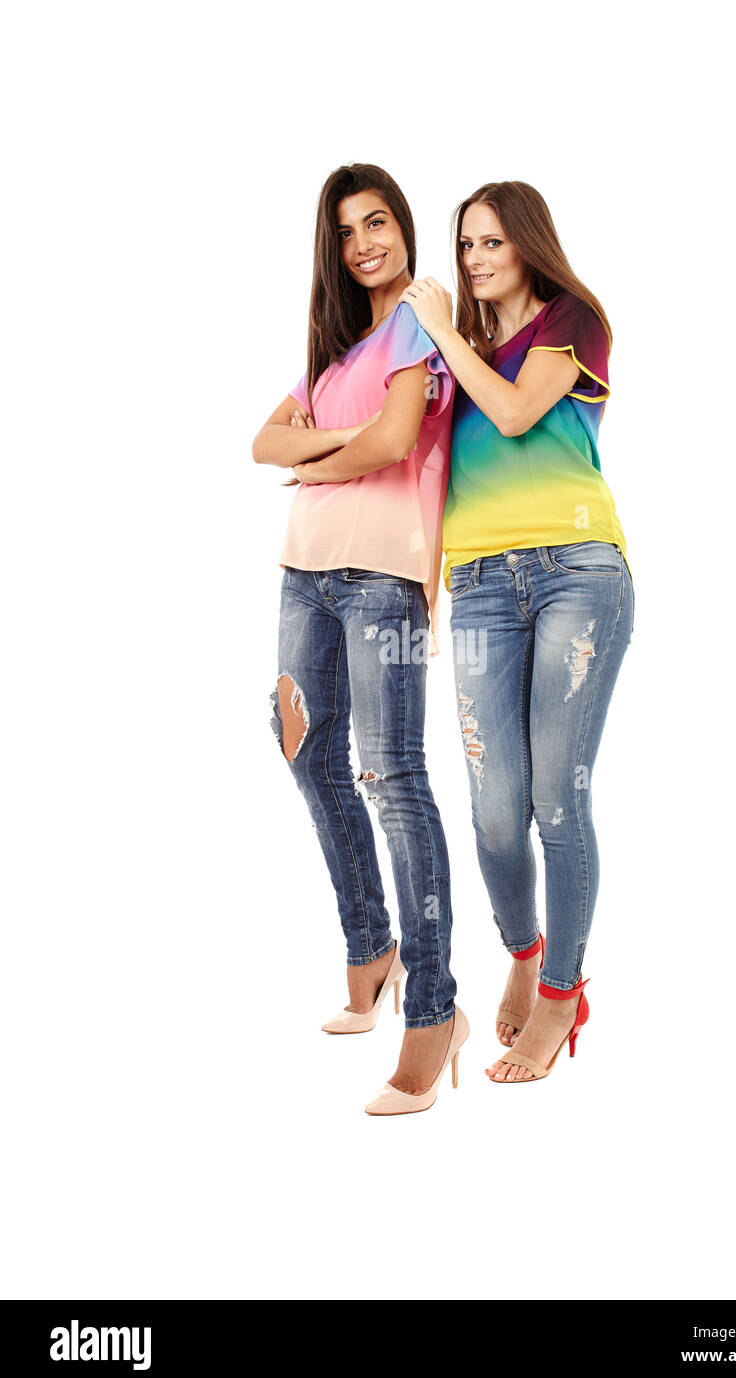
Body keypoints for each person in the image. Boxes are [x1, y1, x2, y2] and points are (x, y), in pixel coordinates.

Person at [398, 180, 633, 1084]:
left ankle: (565, 993)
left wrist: (446, 330)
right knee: (497, 813)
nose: (474, 261)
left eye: (490, 243)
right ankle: (527, 953)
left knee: (557, 800)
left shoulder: (574, 321)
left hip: (579, 572)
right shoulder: (461, 357)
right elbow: (424, 464)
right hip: (482, 585)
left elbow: (514, 412)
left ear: (528, 244)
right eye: (464, 247)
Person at [252, 164, 468, 1114]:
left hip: (384, 575)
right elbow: (263, 439)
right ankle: (369, 946)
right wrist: (324, 451)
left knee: (394, 775)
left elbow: (395, 442)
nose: (364, 243)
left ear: (403, 227)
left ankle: (433, 1009)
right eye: (346, 232)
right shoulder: (339, 347)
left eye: (376, 221)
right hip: (306, 570)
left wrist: (318, 457)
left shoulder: (423, 313)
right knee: (305, 750)